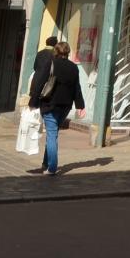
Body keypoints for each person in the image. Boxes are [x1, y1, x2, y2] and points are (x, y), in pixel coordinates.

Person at [29, 40, 86, 177]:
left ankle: (52, 168)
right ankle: (45, 163)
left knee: (52, 135)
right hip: (65, 106)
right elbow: (76, 88)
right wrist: (80, 106)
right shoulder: (74, 67)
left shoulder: (51, 63)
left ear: (56, 51)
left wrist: (33, 101)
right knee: (52, 135)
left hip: (50, 104)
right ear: (68, 52)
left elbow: (40, 82)